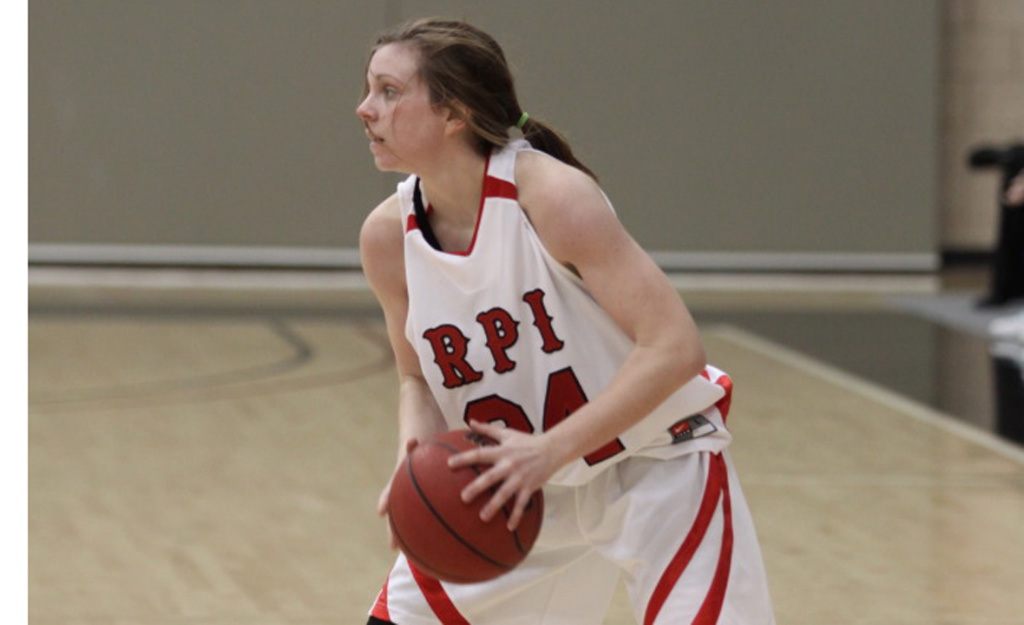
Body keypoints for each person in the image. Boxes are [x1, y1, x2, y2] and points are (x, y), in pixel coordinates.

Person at [356, 18, 775, 625]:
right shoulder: (387, 238)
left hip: (655, 466)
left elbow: (674, 346)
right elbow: (416, 378)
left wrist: (549, 451)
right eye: (370, 89)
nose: (365, 108)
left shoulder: (551, 198)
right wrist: (413, 455)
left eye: (389, 91)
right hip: (513, 492)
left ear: (455, 114)